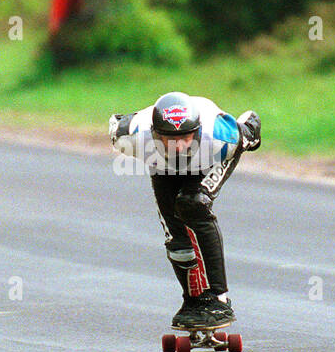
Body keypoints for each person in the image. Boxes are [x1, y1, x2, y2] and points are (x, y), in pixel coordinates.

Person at [109, 92, 261, 328]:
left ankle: (218, 300)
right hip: (162, 168)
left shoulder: (223, 136)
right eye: (169, 139)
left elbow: (252, 127)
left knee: (193, 203)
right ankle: (193, 300)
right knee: (177, 240)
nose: (178, 147)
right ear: (154, 134)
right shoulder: (130, 136)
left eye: (185, 137)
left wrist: (249, 132)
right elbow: (116, 122)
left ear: (198, 131)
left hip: (210, 159)